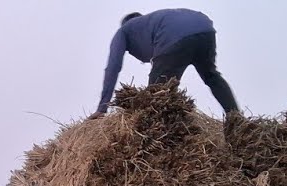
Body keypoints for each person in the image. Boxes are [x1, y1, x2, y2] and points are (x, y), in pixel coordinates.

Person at [93, 9, 239, 117]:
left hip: (173, 38)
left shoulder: (123, 31)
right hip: (205, 30)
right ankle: (237, 120)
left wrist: (102, 107)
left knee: (156, 96)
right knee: (211, 76)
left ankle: (164, 138)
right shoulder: (154, 21)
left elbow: (113, 67)